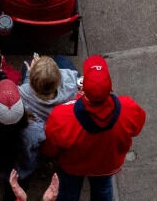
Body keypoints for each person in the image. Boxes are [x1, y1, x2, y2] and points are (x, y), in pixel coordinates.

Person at [41, 57, 144, 201]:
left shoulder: (62, 116)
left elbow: (51, 148)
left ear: (83, 87)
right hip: (107, 165)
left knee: (68, 192)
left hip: (72, 167)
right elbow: (136, 129)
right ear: (111, 87)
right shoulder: (128, 108)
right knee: (103, 189)